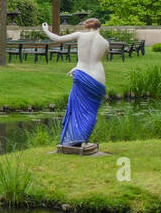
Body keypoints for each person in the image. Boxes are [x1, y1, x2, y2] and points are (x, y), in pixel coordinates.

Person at [40, 17, 109, 147]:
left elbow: (57, 39)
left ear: (87, 27)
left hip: (81, 73)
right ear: (99, 27)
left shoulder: (80, 36)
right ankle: (83, 141)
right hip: (98, 77)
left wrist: (46, 30)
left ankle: (75, 139)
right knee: (91, 111)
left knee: (78, 108)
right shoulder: (105, 43)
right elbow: (98, 60)